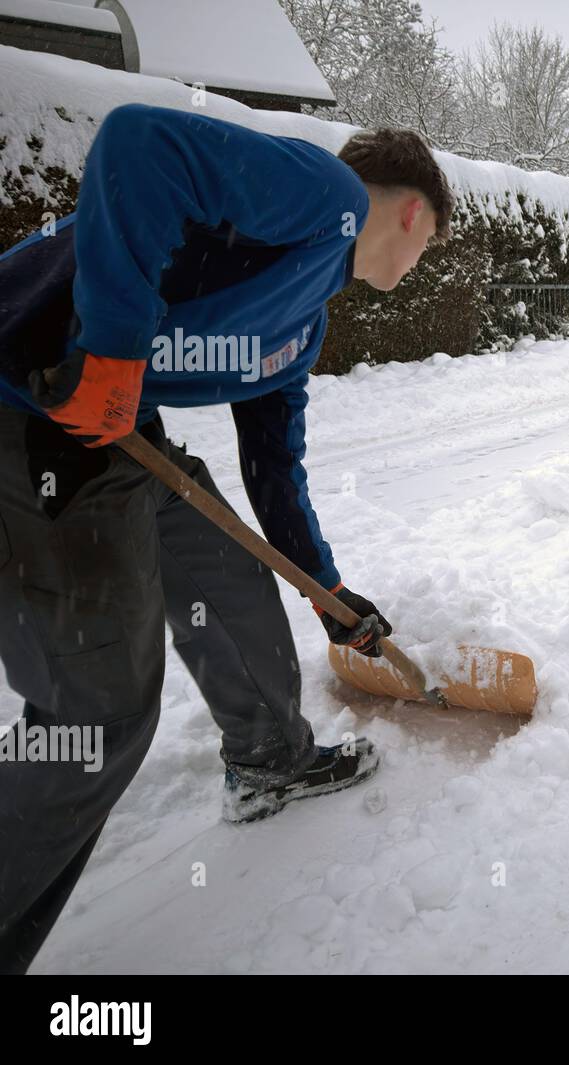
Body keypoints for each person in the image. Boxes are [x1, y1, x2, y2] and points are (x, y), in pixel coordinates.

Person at [0, 102, 454, 973]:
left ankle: (270, 759)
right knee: (95, 715)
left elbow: (275, 471)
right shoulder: (325, 196)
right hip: (26, 406)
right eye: (429, 242)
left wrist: (329, 593)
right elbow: (138, 144)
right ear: (412, 212)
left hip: (111, 432)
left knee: (220, 551)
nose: (420, 259)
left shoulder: (301, 324)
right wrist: (116, 350)